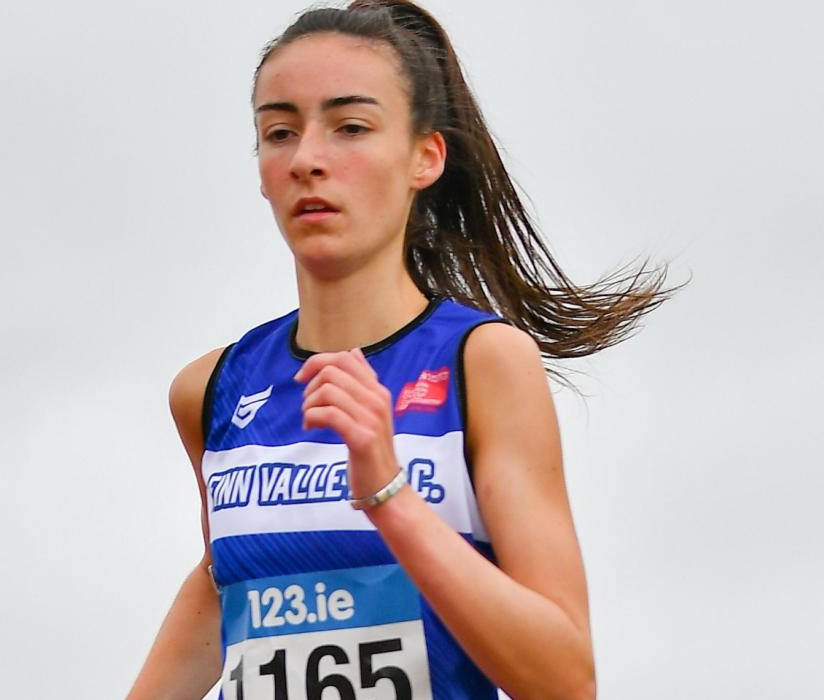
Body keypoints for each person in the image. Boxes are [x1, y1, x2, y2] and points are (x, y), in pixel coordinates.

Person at [128, 2, 677, 698]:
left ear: (425, 156)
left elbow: (565, 678)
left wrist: (389, 496)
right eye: (279, 132)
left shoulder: (483, 364)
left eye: (350, 127)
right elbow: (221, 585)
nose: (308, 161)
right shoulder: (209, 389)